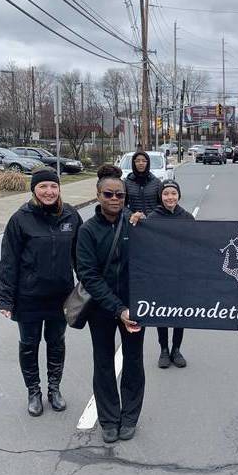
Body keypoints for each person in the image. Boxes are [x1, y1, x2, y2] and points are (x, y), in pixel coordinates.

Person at [0, 169, 84, 416]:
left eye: (53, 187)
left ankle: (54, 389)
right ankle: (33, 391)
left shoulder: (71, 215)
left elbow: (81, 256)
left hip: (61, 296)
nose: (49, 192)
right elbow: (9, 261)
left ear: (59, 189)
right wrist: (6, 298)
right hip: (29, 297)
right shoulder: (20, 219)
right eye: (43, 186)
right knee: (29, 344)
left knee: (56, 343)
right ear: (34, 189)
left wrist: (88, 286)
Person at [75, 164, 145, 443]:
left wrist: (146, 225)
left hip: (135, 307)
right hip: (103, 309)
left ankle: (129, 417)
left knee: (134, 363)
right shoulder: (87, 231)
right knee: (103, 363)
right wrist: (118, 309)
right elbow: (88, 276)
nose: (115, 199)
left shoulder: (135, 225)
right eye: (109, 194)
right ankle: (108, 419)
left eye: (120, 195)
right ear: (98, 195)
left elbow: (152, 263)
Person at [135, 179, 194, 369]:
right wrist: (136, 222)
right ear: (160, 196)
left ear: (178, 195)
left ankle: (177, 349)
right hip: (160, 274)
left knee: (179, 313)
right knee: (162, 313)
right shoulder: (152, 218)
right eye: (166, 194)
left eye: (173, 193)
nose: (170, 197)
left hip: (181, 274)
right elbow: (144, 244)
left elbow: (197, 243)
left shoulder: (186, 217)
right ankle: (164, 349)